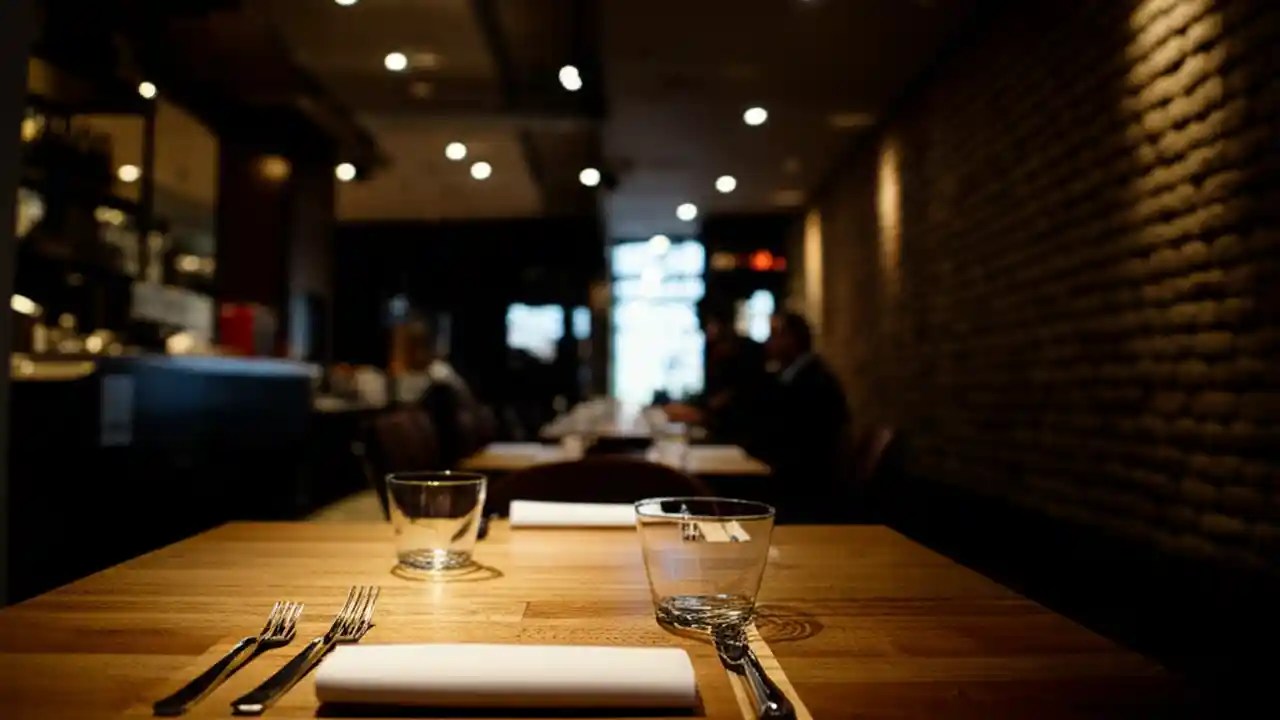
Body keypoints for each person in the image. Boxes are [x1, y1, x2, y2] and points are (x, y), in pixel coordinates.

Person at [750, 311, 852, 521]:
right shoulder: (799, 376)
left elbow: (794, 446)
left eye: (775, 334)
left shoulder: (812, 382)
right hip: (799, 486)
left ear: (792, 339)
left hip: (805, 495)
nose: (768, 342)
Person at [663, 297, 767, 445]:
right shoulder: (713, 351)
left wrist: (700, 414)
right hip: (720, 435)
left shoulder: (750, 352)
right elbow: (711, 398)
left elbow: (744, 404)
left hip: (742, 440)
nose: (704, 332)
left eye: (707, 325)